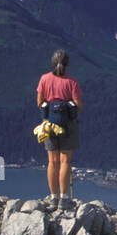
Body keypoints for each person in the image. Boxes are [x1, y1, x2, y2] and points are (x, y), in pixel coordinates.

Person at [35, 50, 82, 211]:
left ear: (53, 62)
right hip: (68, 124)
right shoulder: (72, 82)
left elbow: (39, 101)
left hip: (48, 124)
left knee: (52, 161)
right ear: (67, 63)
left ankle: (53, 198)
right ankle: (64, 198)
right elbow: (78, 105)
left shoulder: (44, 79)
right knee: (65, 161)